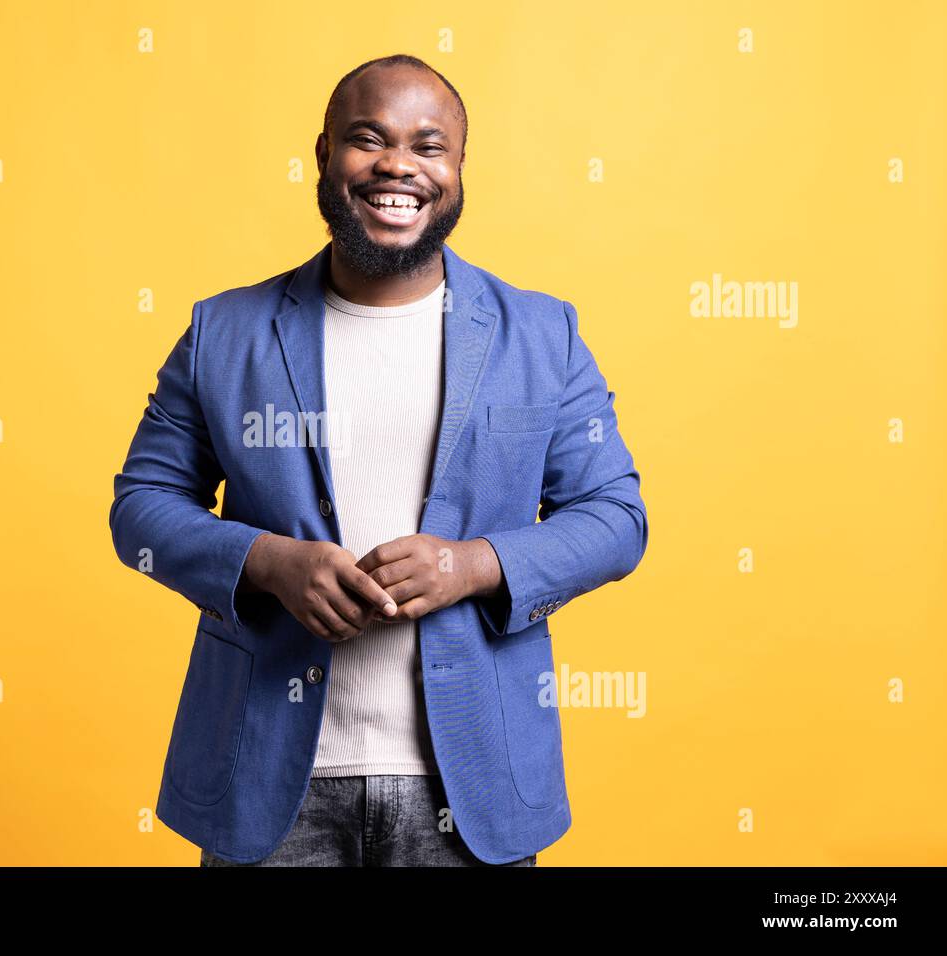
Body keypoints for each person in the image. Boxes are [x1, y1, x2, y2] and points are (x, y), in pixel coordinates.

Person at [110, 54, 648, 866]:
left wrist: (474, 564)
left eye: (429, 146)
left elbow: (617, 518)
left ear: (459, 171)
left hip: (470, 792)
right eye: (369, 139)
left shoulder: (544, 335)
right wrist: (265, 560)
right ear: (324, 157)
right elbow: (141, 505)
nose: (399, 164)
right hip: (269, 786)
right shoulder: (223, 332)